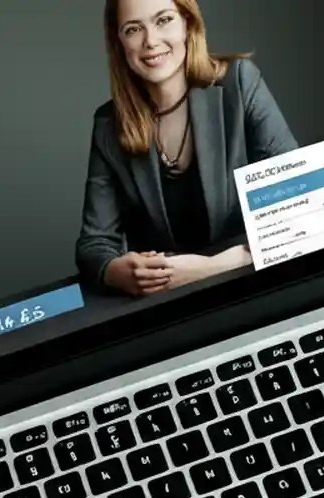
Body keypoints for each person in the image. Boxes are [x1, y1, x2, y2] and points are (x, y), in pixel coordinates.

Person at [76, 0, 298, 297]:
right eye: (133, 29)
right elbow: (94, 244)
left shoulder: (239, 83)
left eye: (163, 20)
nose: (150, 41)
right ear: (119, 42)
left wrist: (216, 267)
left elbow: (298, 202)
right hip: (167, 306)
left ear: (188, 23)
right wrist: (116, 271)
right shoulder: (108, 125)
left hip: (258, 287)